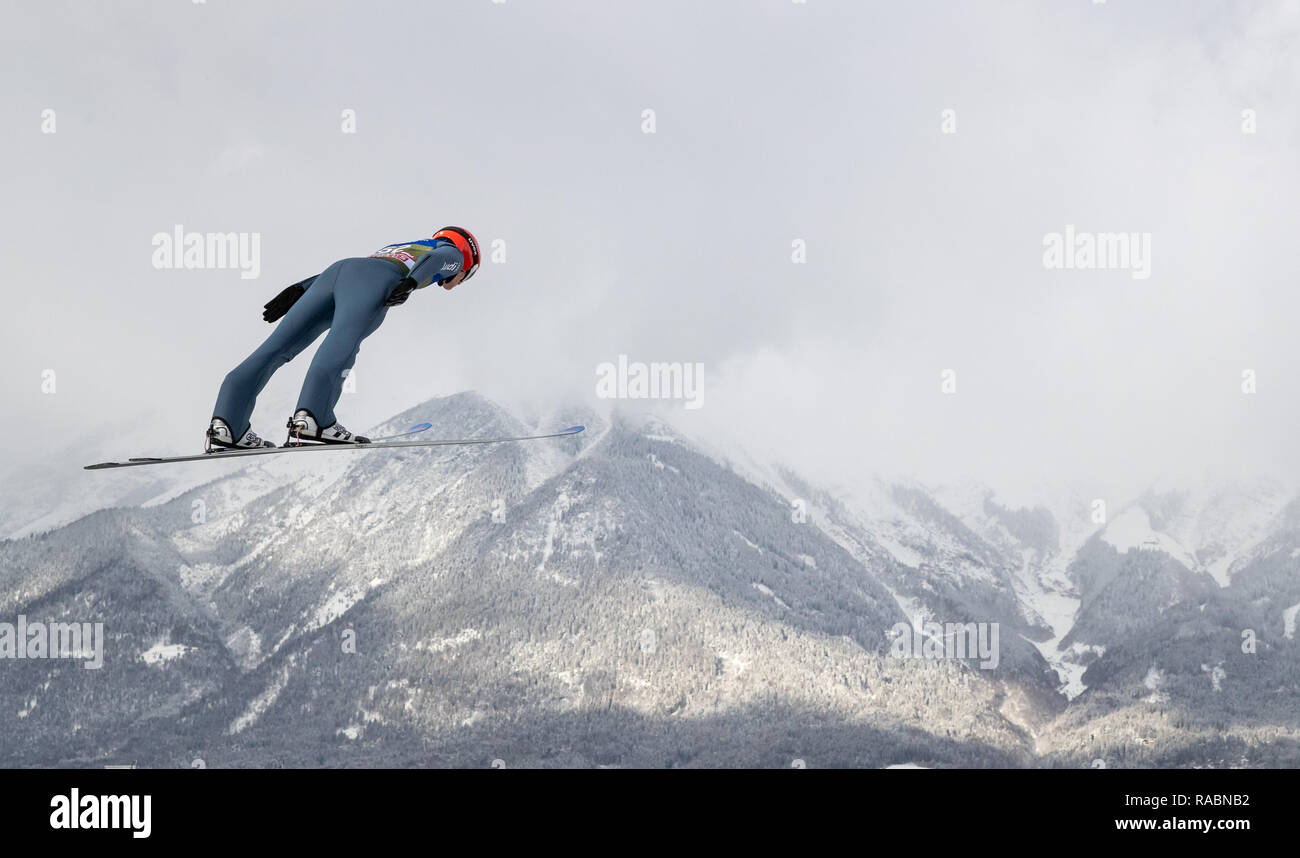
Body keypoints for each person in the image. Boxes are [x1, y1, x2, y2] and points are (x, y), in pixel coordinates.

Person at [206, 227, 479, 451]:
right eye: (465, 278)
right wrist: (410, 283)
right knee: (343, 340)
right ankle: (314, 419)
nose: (458, 283)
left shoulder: (407, 244)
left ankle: (227, 423)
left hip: (334, 274)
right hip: (376, 279)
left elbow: (357, 268)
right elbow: (437, 261)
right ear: (466, 264)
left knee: (276, 348)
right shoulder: (454, 253)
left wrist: (300, 288)